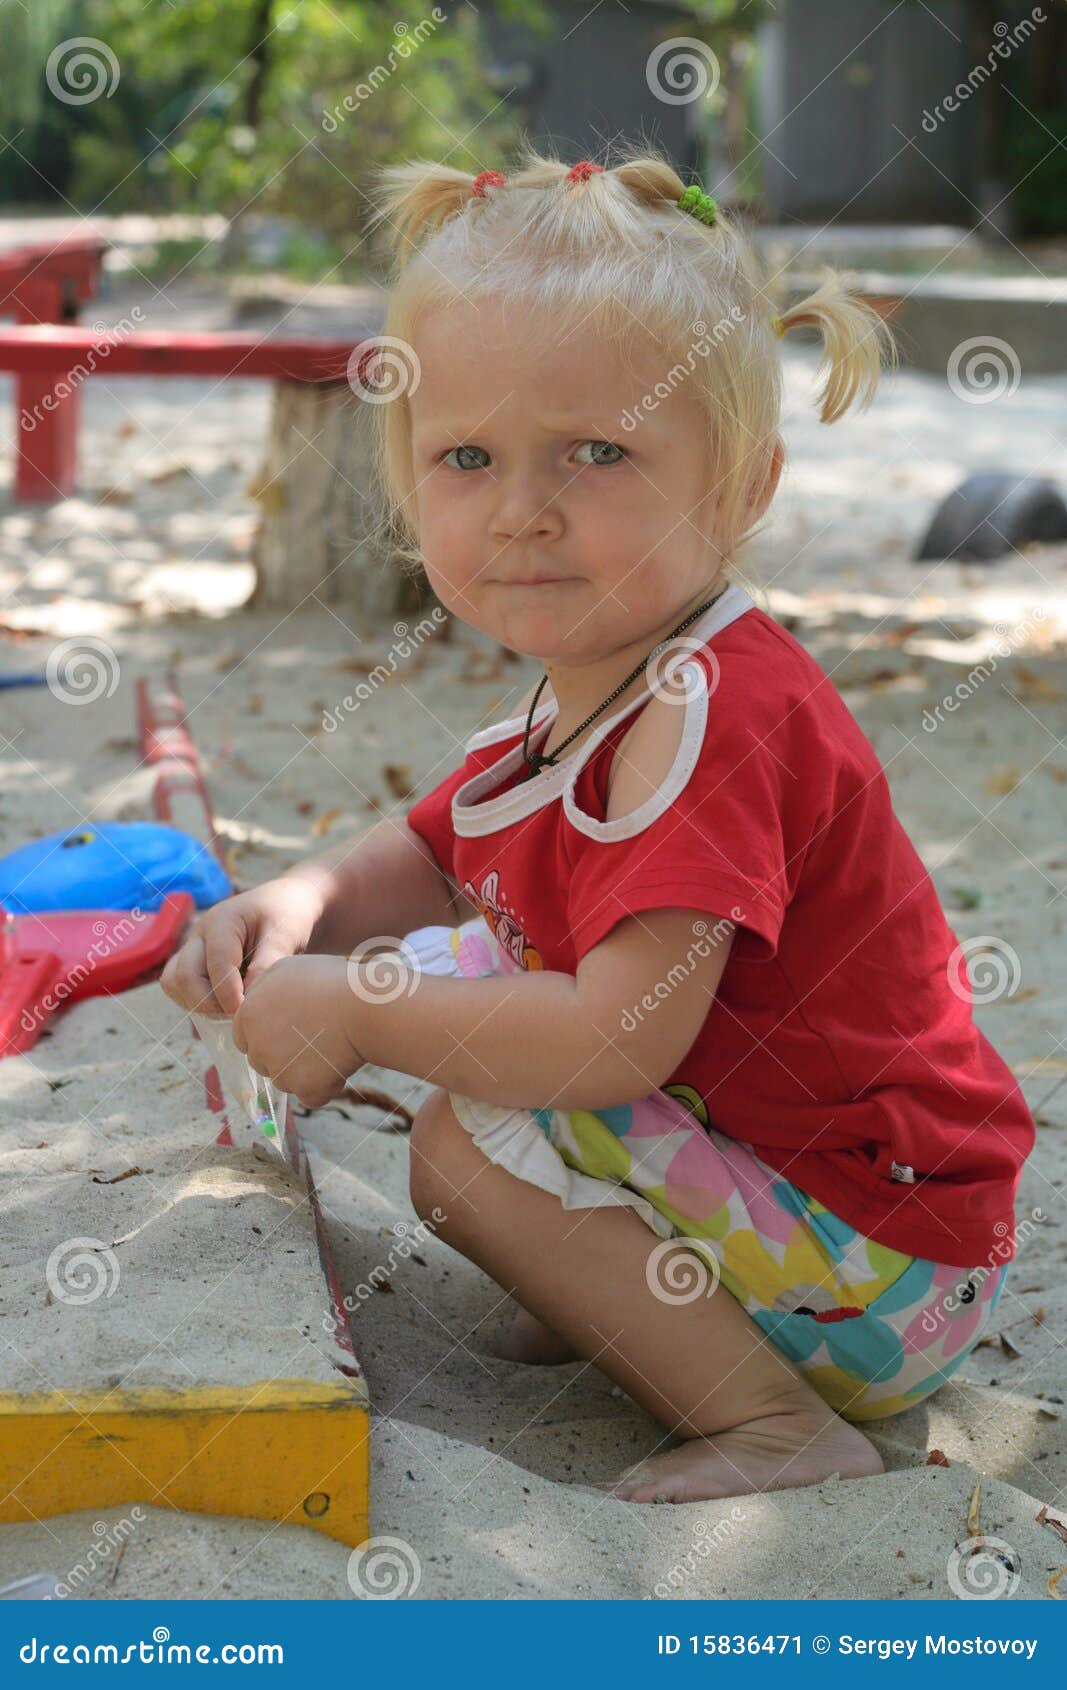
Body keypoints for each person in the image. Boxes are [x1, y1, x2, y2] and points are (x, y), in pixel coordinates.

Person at [161, 146, 1035, 1504]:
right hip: (838, 1204)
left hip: (888, 1258)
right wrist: (296, 912)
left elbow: (624, 1033)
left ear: (742, 485)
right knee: (471, 982)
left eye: (600, 450)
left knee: (468, 1131)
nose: (525, 508)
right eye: (468, 454)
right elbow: (439, 851)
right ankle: (621, 1289)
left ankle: (777, 1424)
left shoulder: (710, 716)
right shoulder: (606, 680)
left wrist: (354, 1003)